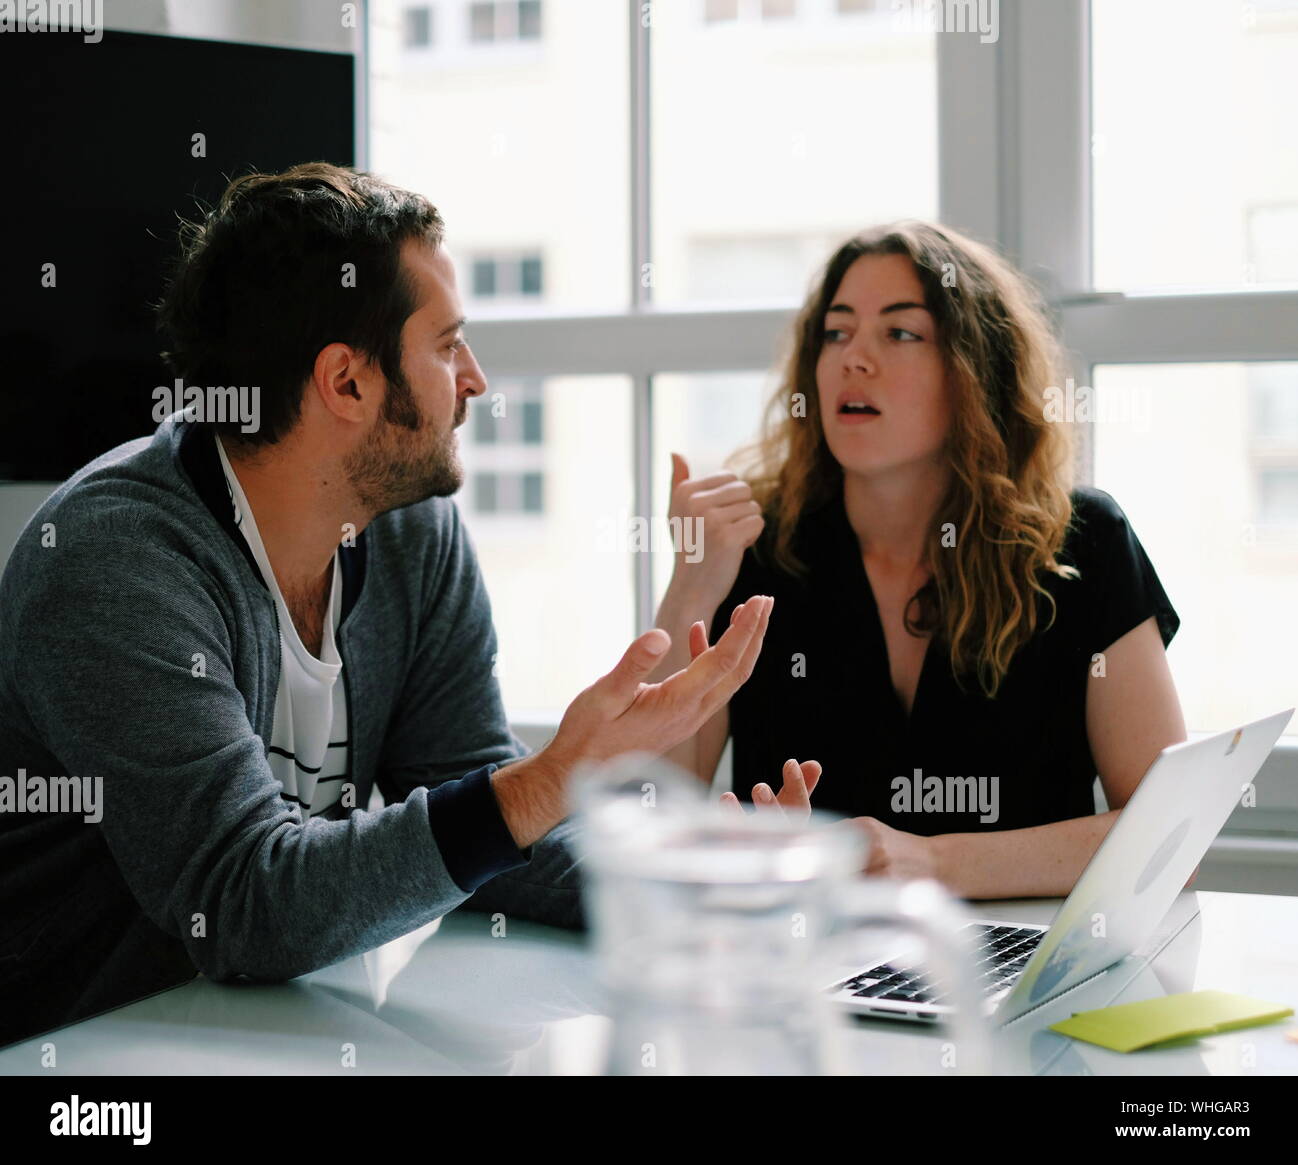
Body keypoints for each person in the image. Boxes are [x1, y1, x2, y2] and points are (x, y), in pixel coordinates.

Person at [0, 163, 774, 1047]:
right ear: (348, 383)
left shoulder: (410, 536)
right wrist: (551, 776)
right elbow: (245, 903)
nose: (477, 380)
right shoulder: (115, 563)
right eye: (447, 346)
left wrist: (699, 885)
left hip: (262, 1038)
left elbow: (488, 831)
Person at [649, 220, 1188, 899]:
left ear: (974, 373)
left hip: (1028, 977)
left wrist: (931, 862)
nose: (854, 358)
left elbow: (1174, 838)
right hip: (808, 966)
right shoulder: (755, 549)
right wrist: (690, 590)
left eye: (900, 333)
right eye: (837, 332)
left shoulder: (1084, 543)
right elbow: (649, 823)